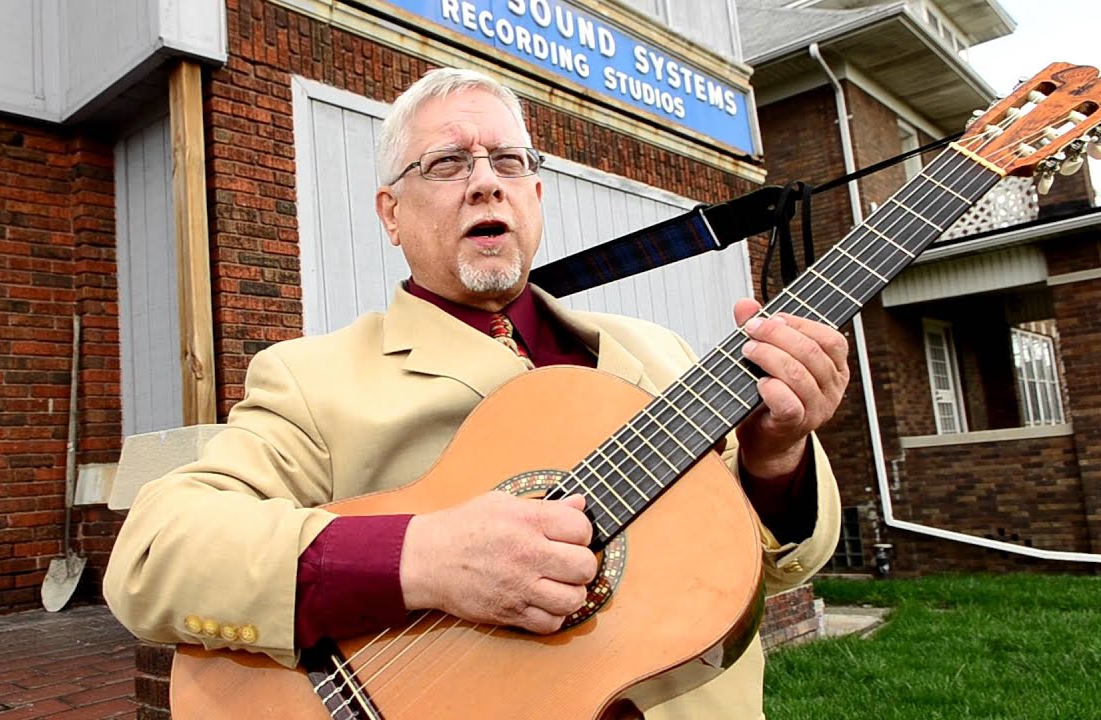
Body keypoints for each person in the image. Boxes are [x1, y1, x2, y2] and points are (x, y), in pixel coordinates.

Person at [104, 67, 847, 719]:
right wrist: (422, 560)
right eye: (448, 162)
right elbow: (152, 556)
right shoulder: (312, 376)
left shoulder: (666, 355)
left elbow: (774, 562)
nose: (485, 179)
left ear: (534, 194)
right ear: (390, 213)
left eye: (507, 161)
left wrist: (775, 458)